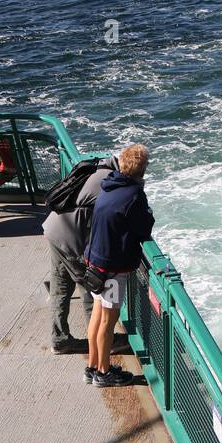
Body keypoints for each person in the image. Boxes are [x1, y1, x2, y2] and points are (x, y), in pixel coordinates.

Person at [84, 143, 154, 388]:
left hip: (94, 264)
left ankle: (92, 366)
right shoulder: (133, 195)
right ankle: (103, 373)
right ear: (141, 170)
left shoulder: (109, 185)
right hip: (112, 272)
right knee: (108, 321)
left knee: (97, 315)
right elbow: (144, 227)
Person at [42, 154, 128, 354]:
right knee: (91, 288)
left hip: (55, 230)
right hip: (72, 237)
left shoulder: (95, 168)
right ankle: (101, 342)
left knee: (60, 287)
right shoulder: (112, 182)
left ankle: (60, 339)